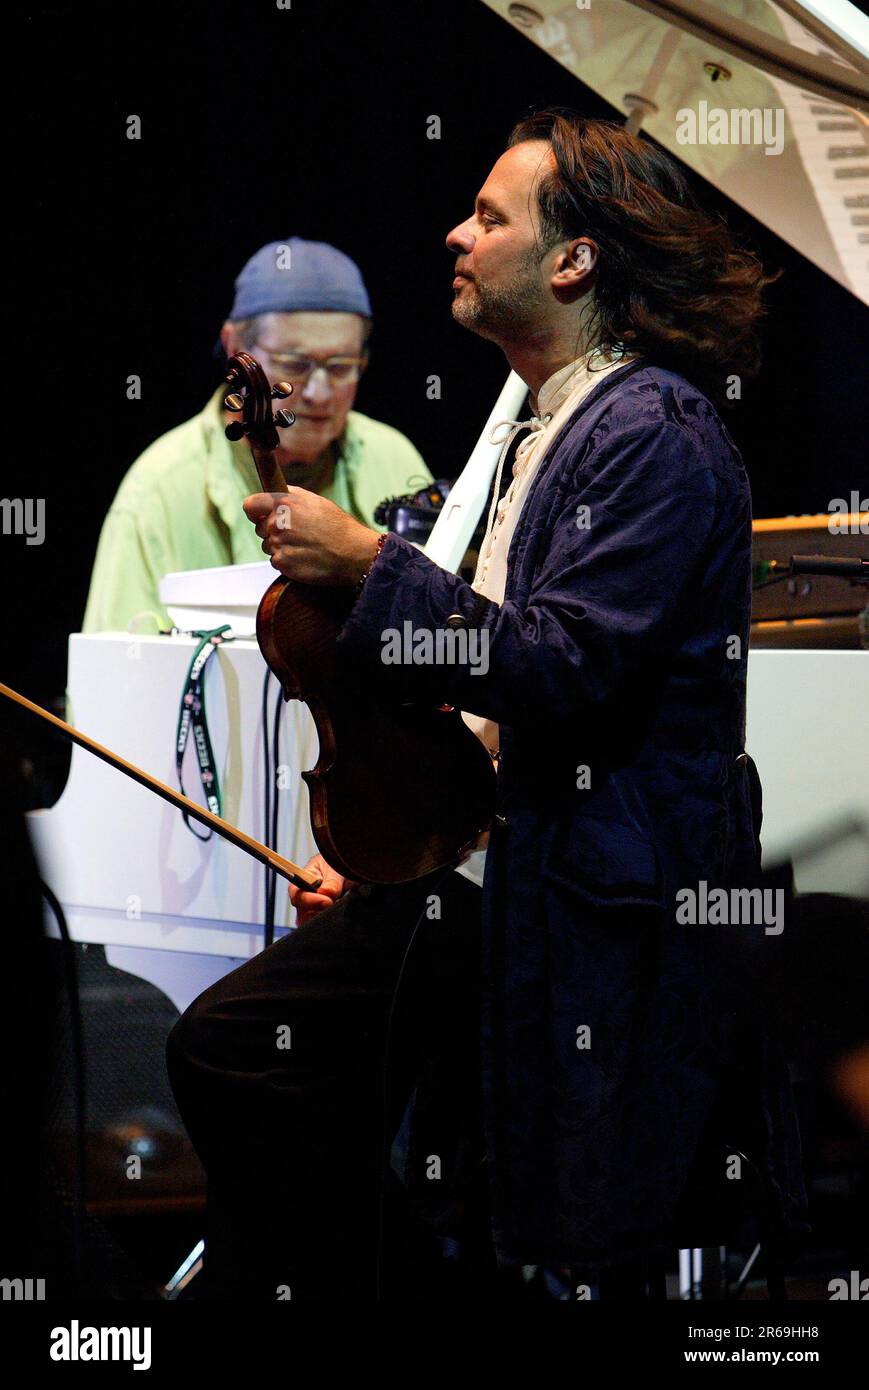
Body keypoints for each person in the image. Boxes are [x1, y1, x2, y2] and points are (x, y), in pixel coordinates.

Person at [167, 110, 809, 1300]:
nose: (454, 233)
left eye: (490, 215)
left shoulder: (653, 430)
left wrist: (369, 565)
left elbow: (560, 667)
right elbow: (478, 680)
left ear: (571, 262)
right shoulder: (532, 418)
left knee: (488, 1204)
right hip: (481, 877)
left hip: (574, 903)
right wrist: (389, 855)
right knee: (244, 1056)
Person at [83, 238, 431, 634]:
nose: (318, 392)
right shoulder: (159, 488)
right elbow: (114, 672)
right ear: (235, 347)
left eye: (341, 366)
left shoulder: (394, 458)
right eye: (294, 364)